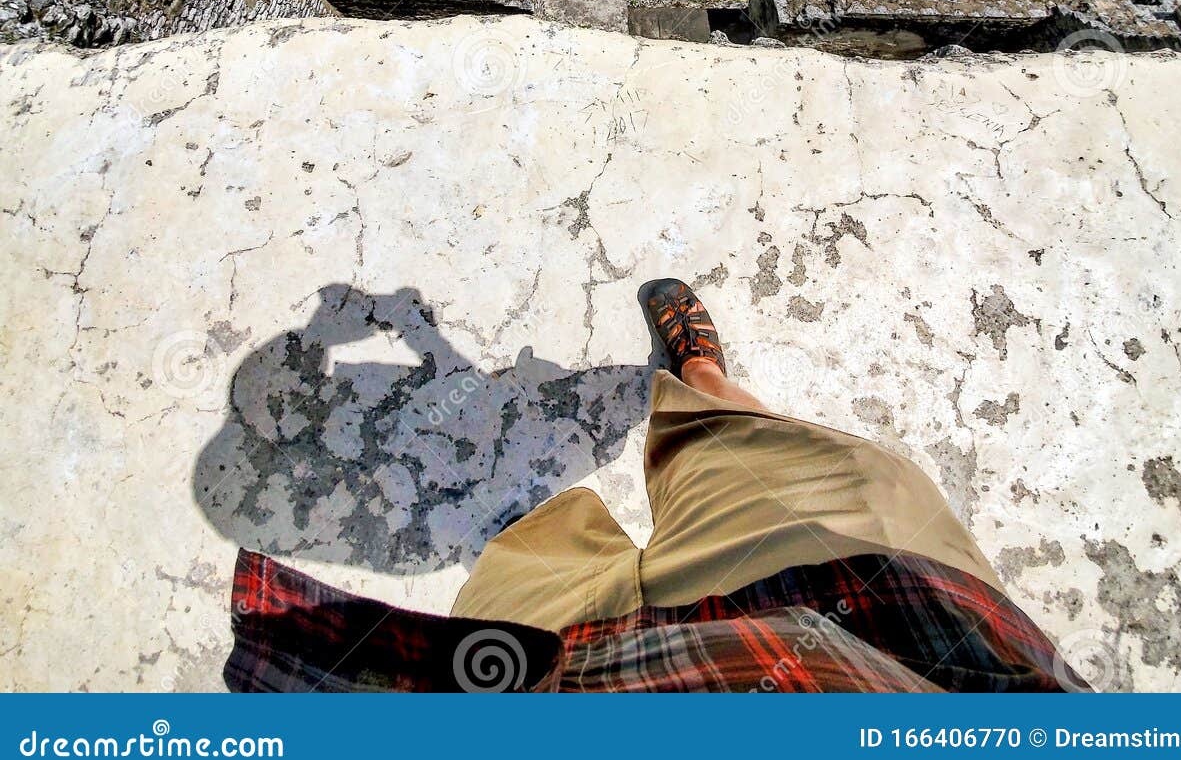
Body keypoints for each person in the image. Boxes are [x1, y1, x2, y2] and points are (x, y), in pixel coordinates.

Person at [226, 280, 1087, 692]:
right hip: (884, 625)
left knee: (514, 566)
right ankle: (702, 382)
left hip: (557, 677)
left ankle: (514, 508)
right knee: (811, 467)